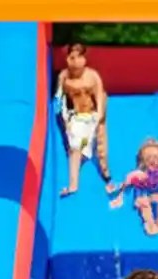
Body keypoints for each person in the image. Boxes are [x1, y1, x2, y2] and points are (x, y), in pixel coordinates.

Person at [55, 43, 111, 196]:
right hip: (76, 117)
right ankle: (73, 184)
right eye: (72, 57)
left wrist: (99, 113)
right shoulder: (64, 77)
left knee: (96, 148)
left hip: (92, 115)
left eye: (79, 56)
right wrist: (63, 115)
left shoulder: (92, 76)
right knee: (75, 149)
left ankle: (105, 172)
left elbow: (99, 95)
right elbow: (59, 98)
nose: (75, 61)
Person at [108, 138, 158, 236]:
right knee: (143, 203)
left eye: (155, 157)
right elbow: (128, 180)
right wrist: (120, 198)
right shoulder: (139, 175)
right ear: (143, 161)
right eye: (148, 158)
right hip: (141, 189)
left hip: (153, 189)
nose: (153, 161)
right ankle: (150, 225)